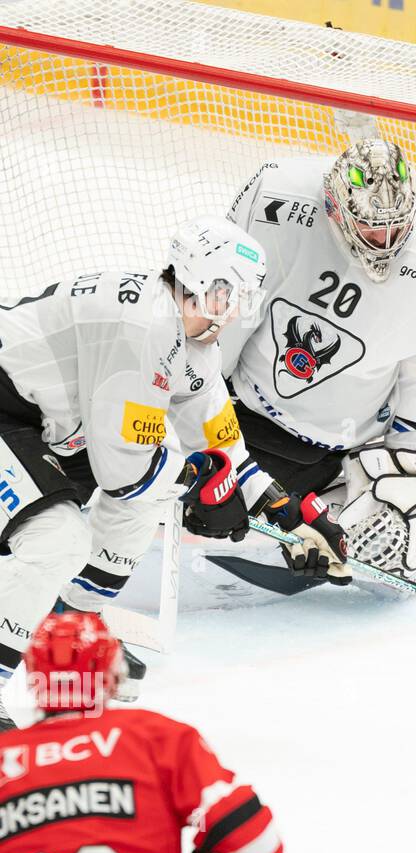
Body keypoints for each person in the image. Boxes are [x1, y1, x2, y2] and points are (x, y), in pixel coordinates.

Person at [0, 216, 344, 729]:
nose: (237, 311)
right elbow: (124, 469)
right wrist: (200, 484)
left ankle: (70, 625)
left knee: (148, 497)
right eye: (233, 294)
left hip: (40, 421)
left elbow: (221, 446)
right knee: (58, 540)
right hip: (12, 409)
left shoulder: (194, 343)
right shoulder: (145, 329)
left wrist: (287, 512)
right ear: (205, 284)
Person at [222, 138, 416, 581]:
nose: (385, 240)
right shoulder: (274, 195)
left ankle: (330, 499)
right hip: (239, 418)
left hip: (334, 455)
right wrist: (199, 412)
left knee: (390, 551)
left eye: (396, 227)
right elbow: (219, 311)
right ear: (335, 204)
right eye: (372, 227)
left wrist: (411, 450)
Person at [0, 612, 282, 853]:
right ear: (112, 670)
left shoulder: (5, 757)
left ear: (33, 677)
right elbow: (254, 842)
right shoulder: (154, 737)